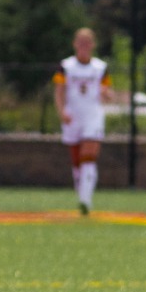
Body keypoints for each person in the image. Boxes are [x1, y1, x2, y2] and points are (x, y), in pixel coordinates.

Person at [54, 27, 116, 215]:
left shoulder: (100, 67)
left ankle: (85, 201)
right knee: (76, 161)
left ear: (93, 45)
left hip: (93, 116)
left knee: (88, 156)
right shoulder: (66, 66)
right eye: (81, 42)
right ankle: (82, 195)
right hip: (73, 116)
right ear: (74, 44)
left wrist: (107, 94)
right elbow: (59, 91)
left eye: (87, 43)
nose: (84, 46)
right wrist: (61, 111)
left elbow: (107, 91)